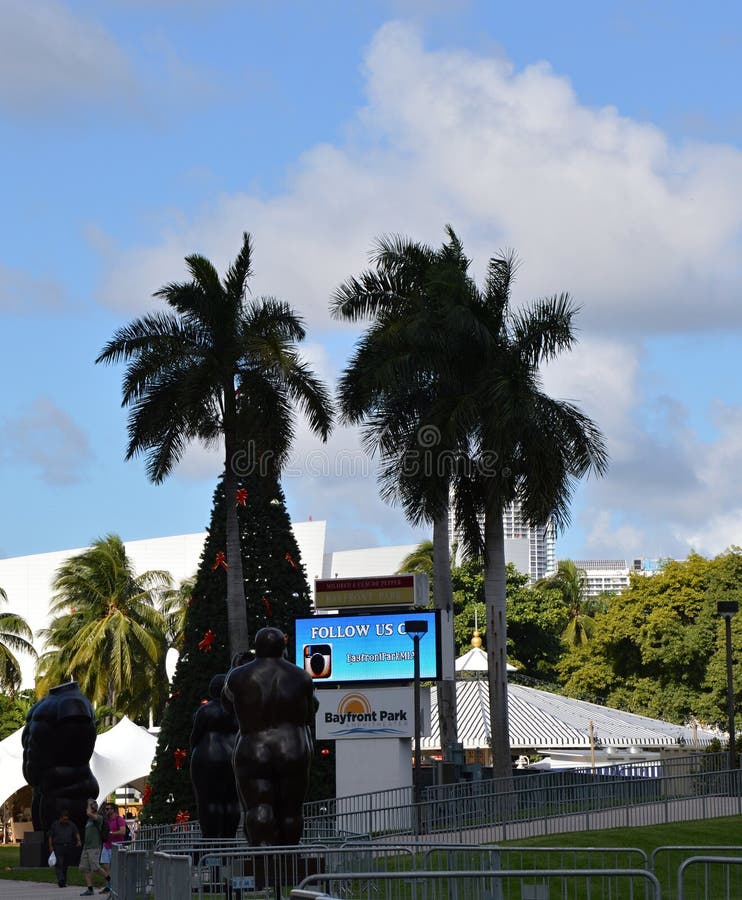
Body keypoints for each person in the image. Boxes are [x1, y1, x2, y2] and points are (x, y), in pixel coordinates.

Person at [222, 627, 316, 845]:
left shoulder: (238, 676)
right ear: (283, 647)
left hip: (253, 747)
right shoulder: (301, 677)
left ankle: (262, 858)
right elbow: (310, 714)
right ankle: (290, 857)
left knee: (258, 809)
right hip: (292, 747)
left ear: (257, 648)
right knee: (292, 811)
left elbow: (227, 706)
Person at [189, 673, 240, 839]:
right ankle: (229, 838)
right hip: (233, 756)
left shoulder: (205, 710)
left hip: (207, 757)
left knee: (209, 801)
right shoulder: (237, 711)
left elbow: (195, 736)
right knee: (232, 801)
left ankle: (211, 839)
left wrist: (194, 751)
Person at [78, 798, 107, 896]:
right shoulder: (89, 820)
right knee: (85, 868)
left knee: (95, 867)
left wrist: (89, 803)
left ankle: (111, 880)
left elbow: (88, 813)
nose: (86, 808)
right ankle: (90, 889)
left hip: (94, 846)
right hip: (86, 847)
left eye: (88, 806)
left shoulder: (98, 818)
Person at [47, 808, 81, 888]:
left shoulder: (71, 824)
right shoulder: (55, 824)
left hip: (68, 846)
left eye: (67, 819)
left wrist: (78, 840)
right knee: (59, 864)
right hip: (58, 846)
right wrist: (51, 846)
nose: (66, 821)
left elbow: (76, 833)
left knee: (65, 864)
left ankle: (64, 880)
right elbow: (50, 836)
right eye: (64, 819)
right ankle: (60, 880)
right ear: (61, 818)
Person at [98, 803, 126, 893]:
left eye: (108, 809)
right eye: (105, 809)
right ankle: (109, 885)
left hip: (116, 846)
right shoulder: (106, 820)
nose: (106, 810)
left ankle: (116, 886)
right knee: (106, 867)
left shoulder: (119, 819)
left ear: (113, 810)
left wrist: (110, 833)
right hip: (106, 846)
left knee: (115, 867)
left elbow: (123, 831)